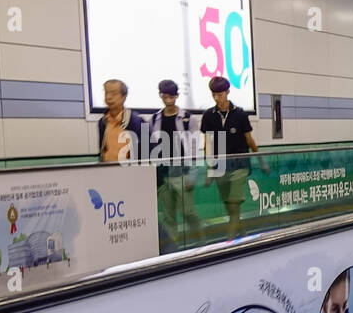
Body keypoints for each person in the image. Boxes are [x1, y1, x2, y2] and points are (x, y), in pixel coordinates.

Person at [200, 75, 265, 240]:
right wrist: (209, 170)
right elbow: (207, 143)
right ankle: (244, 237)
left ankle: (229, 244)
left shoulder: (240, 114)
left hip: (240, 166)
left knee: (234, 205)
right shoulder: (208, 115)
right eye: (214, 94)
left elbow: (249, 140)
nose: (217, 98)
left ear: (227, 92)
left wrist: (261, 161)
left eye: (220, 94)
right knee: (230, 208)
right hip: (220, 167)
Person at [150, 78, 201, 248]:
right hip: (164, 173)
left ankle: (202, 243)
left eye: (171, 96)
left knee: (188, 212)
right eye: (165, 96)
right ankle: (173, 251)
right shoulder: (155, 119)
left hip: (182, 172)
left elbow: (194, 149)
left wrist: (193, 174)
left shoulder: (187, 119)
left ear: (177, 96)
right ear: (161, 96)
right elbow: (153, 148)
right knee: (168, 216)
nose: (168, 100)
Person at [97, 79, 147, 163]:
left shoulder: (138, 121)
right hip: (107, 170)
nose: (108, 97)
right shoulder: (102, 122)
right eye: (106, 93)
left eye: (113, 93)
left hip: (130, 171)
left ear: (124, 96)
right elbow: (103, 150)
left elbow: (147, 152)